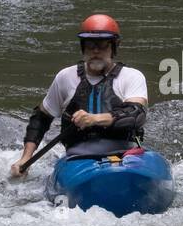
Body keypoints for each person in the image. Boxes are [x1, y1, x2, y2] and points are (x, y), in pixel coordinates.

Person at [10, 14, 149, 178]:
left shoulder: (132, 76)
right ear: (83, 46)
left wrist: (94, 119)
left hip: (125, 154)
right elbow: (40, 118)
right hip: (78, 157)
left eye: (103, 44)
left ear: (114, 46)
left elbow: (136, 114)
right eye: (90, 45)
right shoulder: (65, 77)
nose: (96, 51)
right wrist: (25, 159)